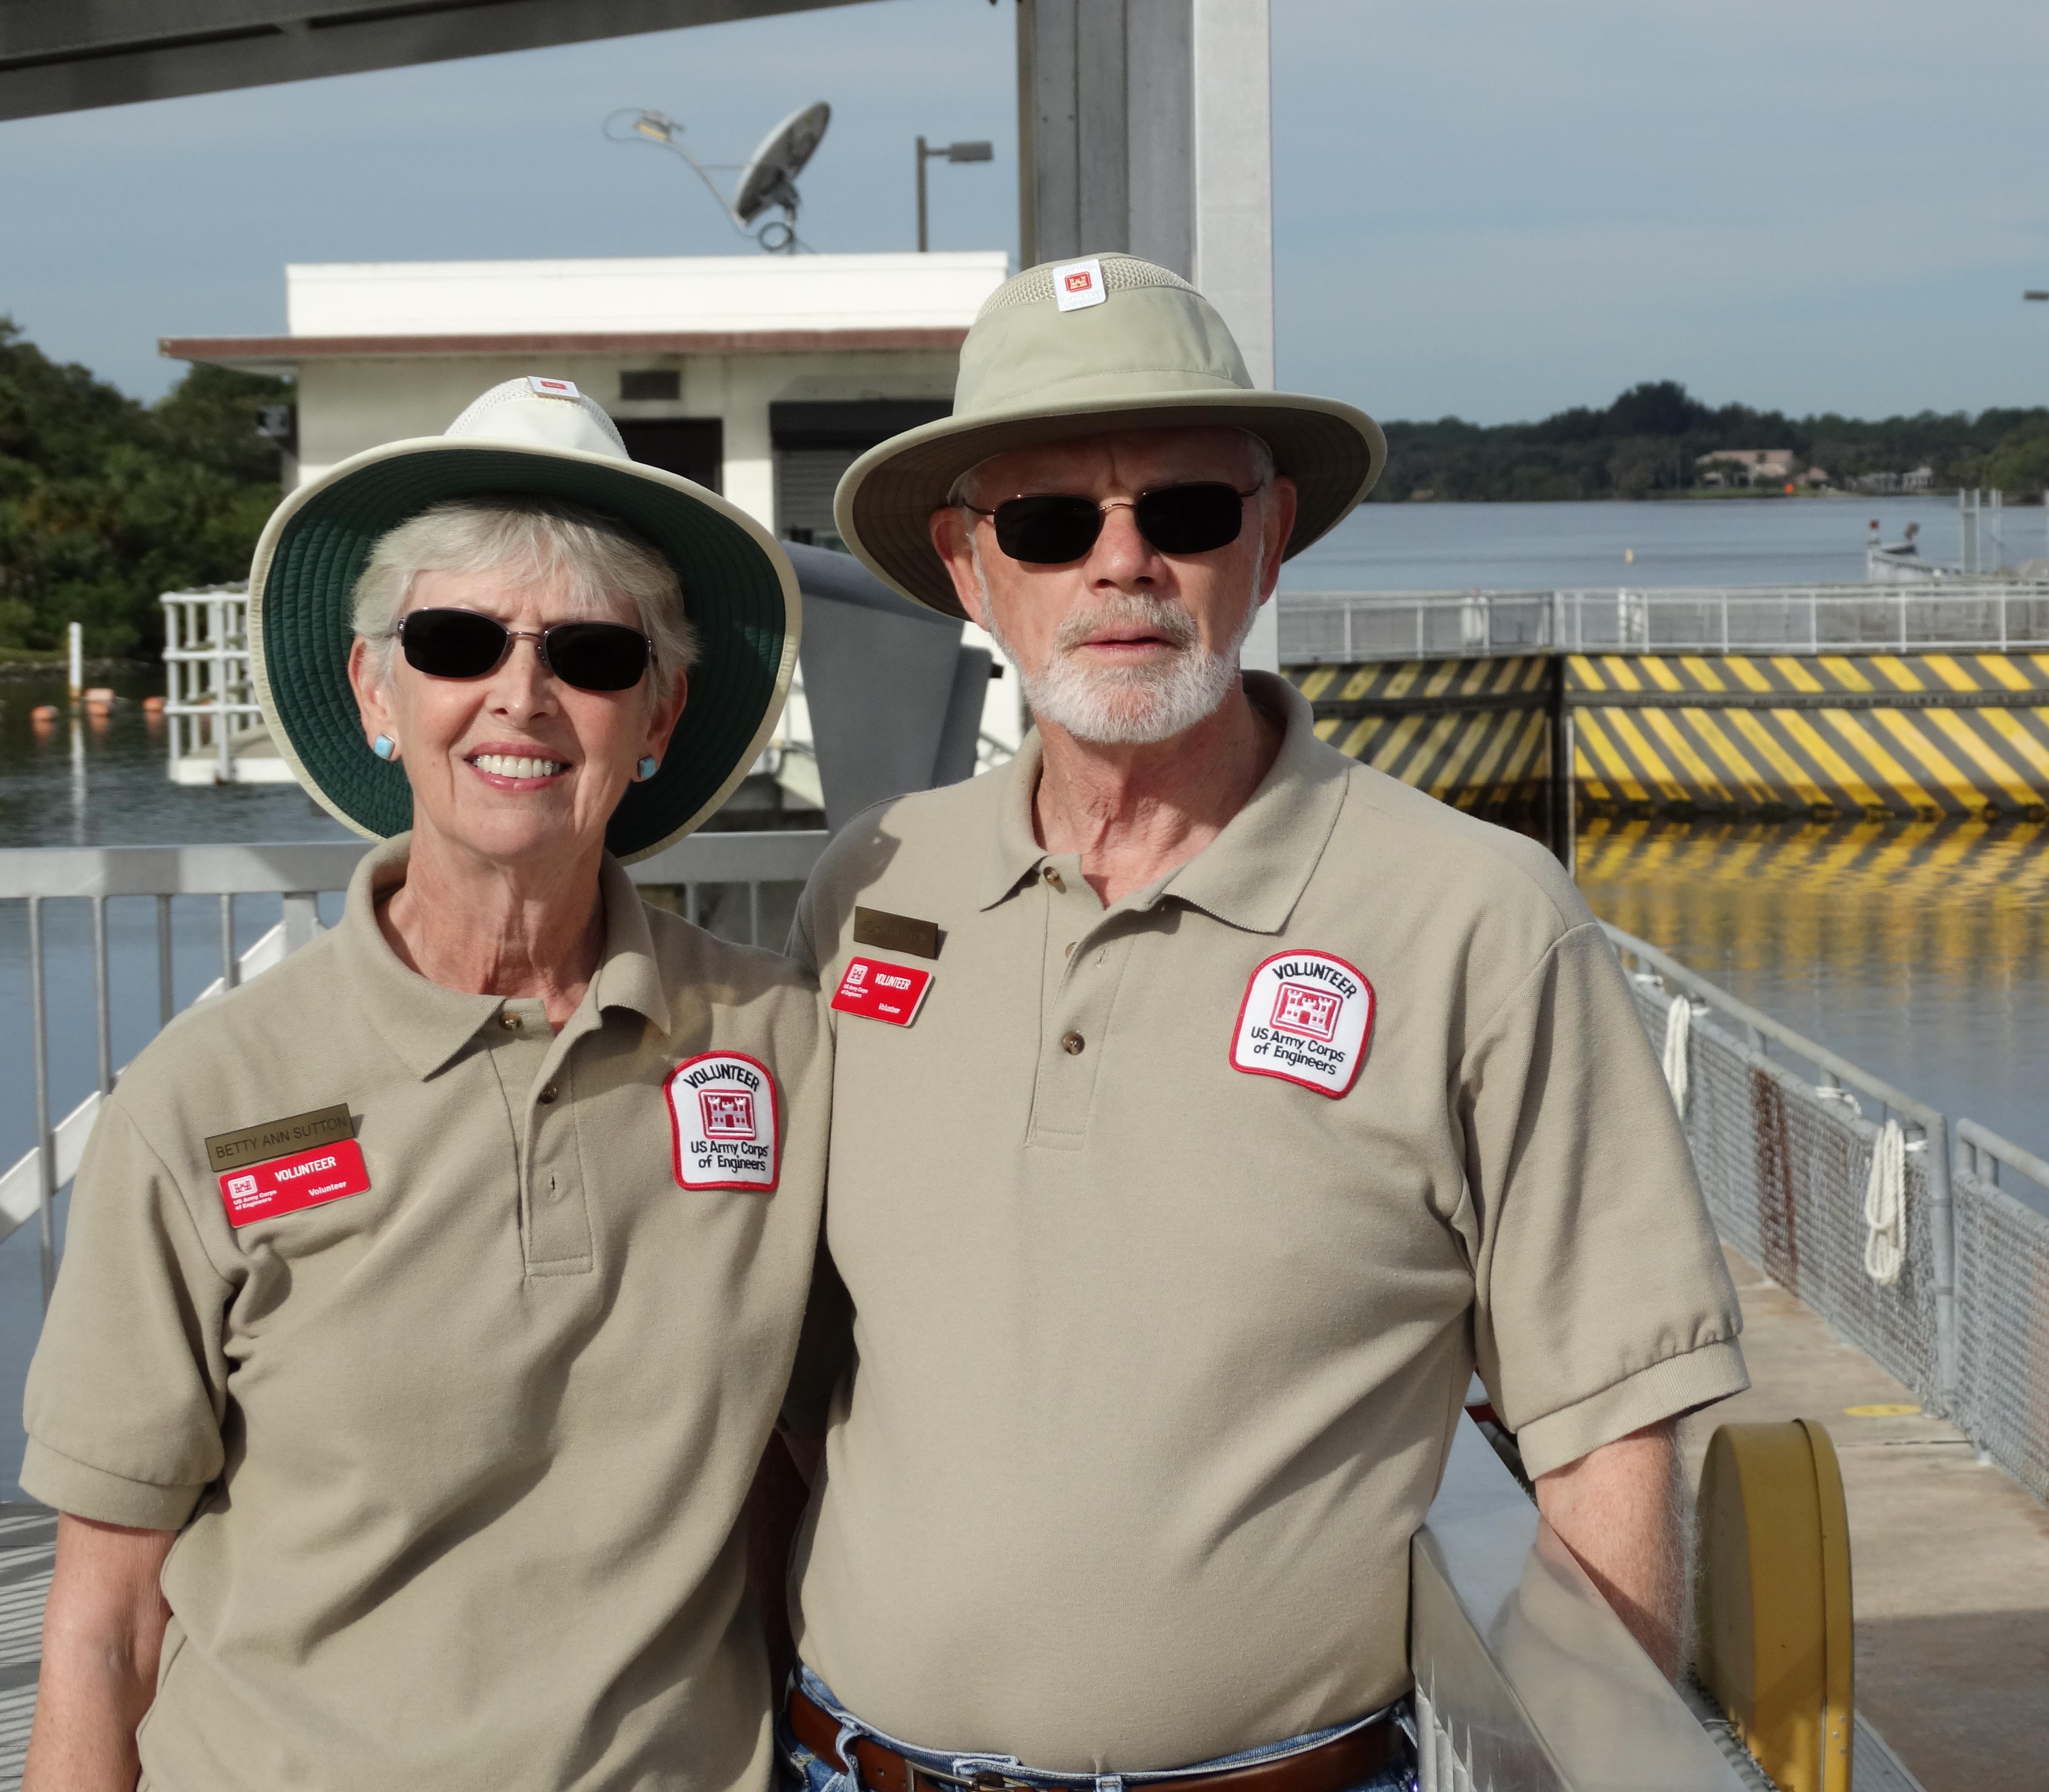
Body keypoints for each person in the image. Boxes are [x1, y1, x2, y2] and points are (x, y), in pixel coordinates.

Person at [774, 255, 1748, 1791]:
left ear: (1271, 537)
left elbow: (1604, 1429)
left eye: (1185, 511)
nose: (1123, 566)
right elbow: (796, 1365)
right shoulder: (876, 889)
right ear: (969, 567)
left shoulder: (1480, 918)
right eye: (1048, 525)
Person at [20, 377, 825, 1792]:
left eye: (591, 654)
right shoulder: (205, 1096)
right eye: (458, 642)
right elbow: (102, 1626)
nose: (522, 696)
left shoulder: (783, 1049)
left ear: (659, 715)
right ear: (374, 691)